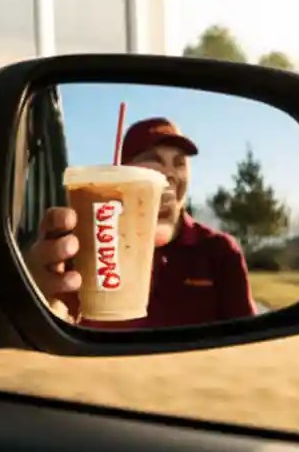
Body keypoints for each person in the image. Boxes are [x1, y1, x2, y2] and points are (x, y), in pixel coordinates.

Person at [25, 117, 257, 328]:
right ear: (124, 172)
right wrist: (43, 308)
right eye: (153, 160)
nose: (170, 173)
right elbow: (61, 326)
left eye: (179, 163)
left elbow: (248, 341)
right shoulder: (88, 246)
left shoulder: (220, 251)